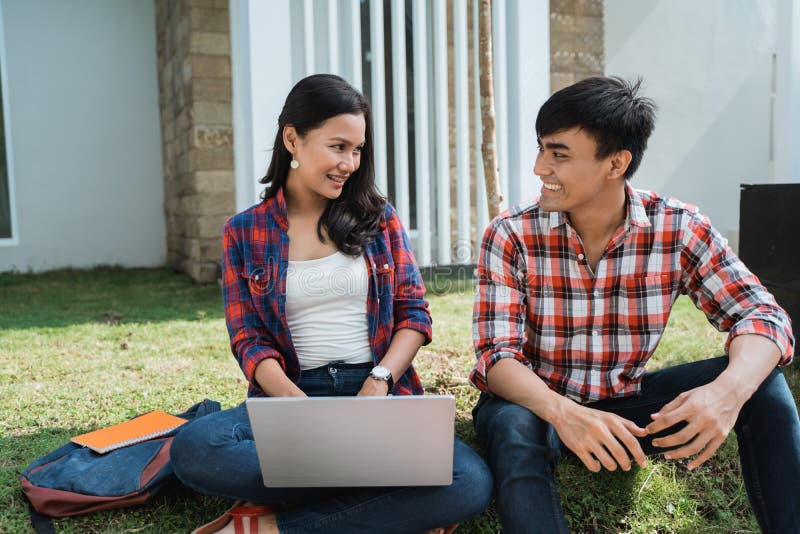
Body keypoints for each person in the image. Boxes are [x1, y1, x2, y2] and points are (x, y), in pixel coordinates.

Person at [470, 76, 799, 533]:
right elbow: (496, 358)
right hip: (535, 404)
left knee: (765, 386)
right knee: (513, 429)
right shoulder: (510, 233)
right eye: (541, 148)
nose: (539, 167)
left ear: (616, 163)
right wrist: (566, 413)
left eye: (558, 154)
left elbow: (762, 315)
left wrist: (726, 394)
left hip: (628, 406)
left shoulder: (677, 227)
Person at [171, 74, 493, 534]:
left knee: (469, 481)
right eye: (338, 146)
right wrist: (292, 403)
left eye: (357, 150)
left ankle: (272, 527)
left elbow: (413, 313)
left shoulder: (378, 219)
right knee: (196, 449)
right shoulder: (244, 232)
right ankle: (388, 493)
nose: (349, 162)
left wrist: (380, 381)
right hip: (294, 393)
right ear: (292, 140)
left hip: (376, 391)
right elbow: (248, 337)